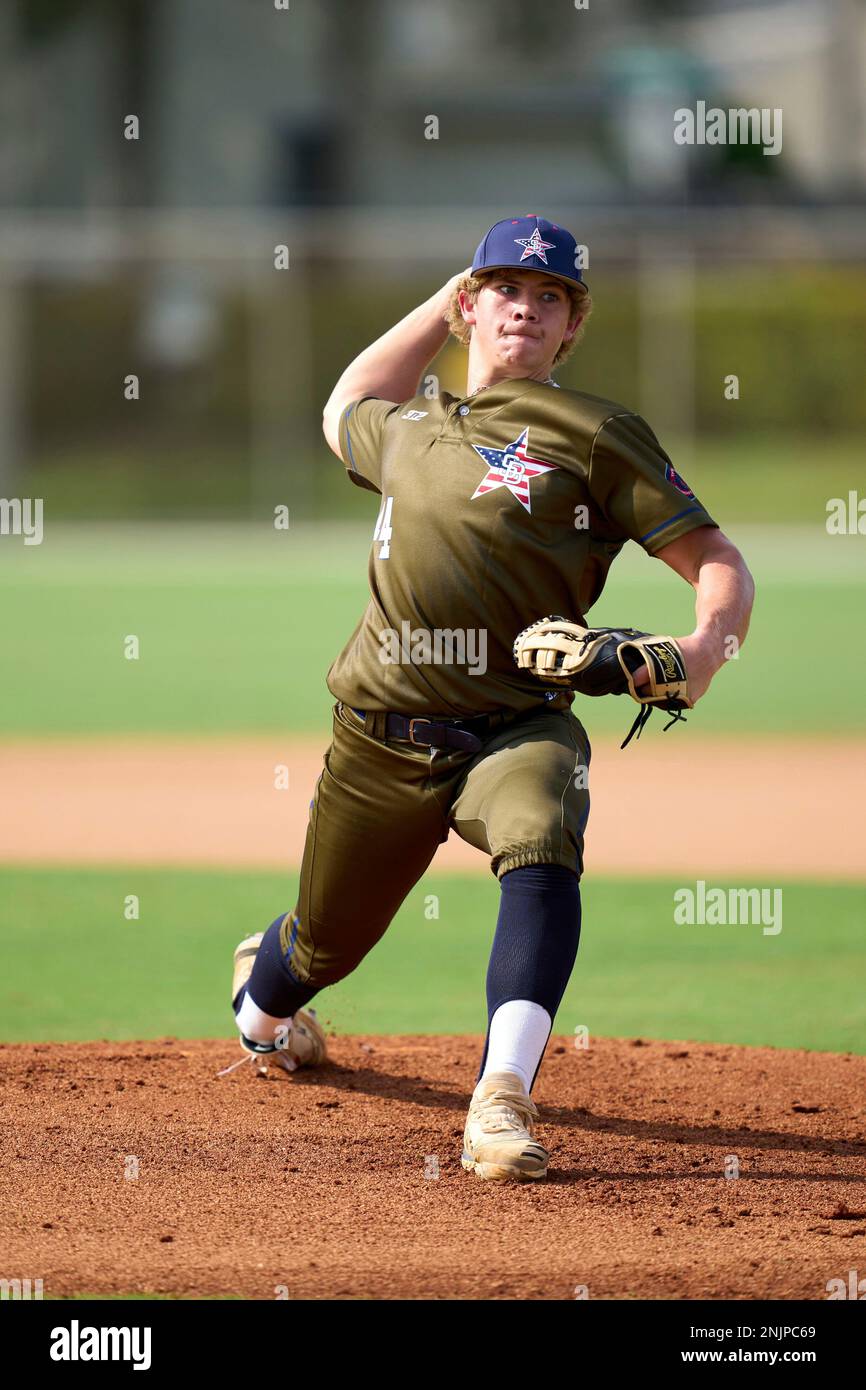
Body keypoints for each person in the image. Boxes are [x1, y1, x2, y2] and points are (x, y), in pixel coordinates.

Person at [228, 214, 755, 1182]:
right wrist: (442, 302)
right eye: (506, 288)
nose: (527, 306)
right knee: (314, 950)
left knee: (543, 830)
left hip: (517, 725)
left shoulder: (594, 434)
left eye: (549, 296)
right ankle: (259, 1007)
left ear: (570, 329)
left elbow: (715, 558)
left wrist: (698, 650)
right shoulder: (406, 427)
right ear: (471, 306)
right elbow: (343, 399)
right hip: (377, 742)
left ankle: (500, 1099)